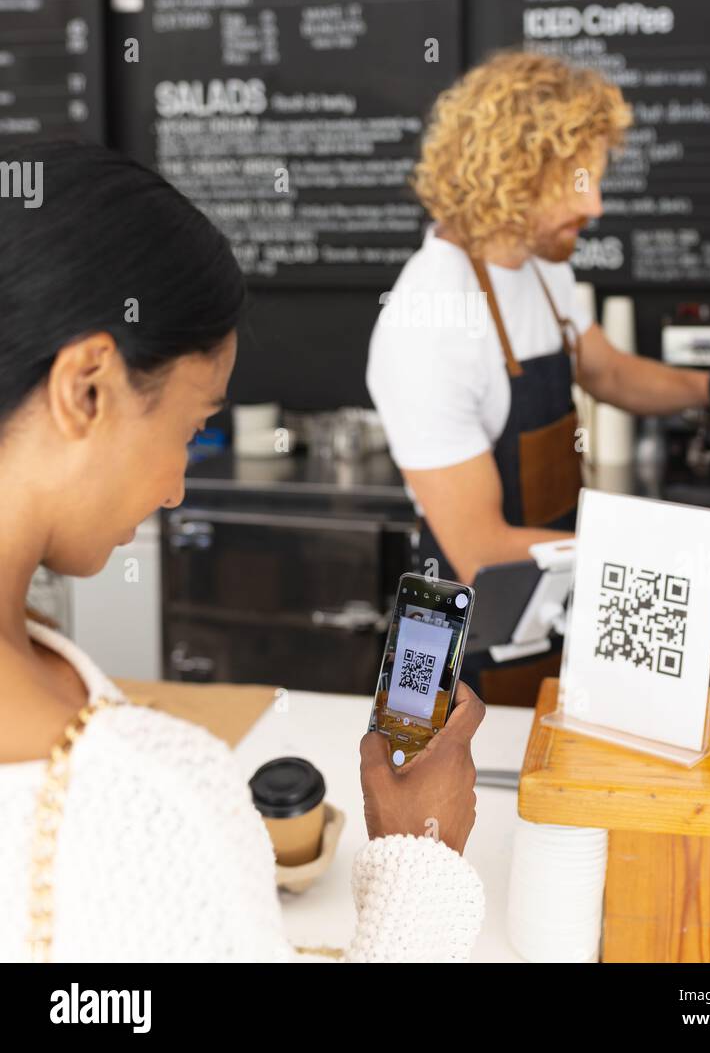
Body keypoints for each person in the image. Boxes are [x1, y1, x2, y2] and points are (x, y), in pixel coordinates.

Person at [0, 140, 484, 963]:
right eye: (190, 428)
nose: (177, 487)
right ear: (87, 387)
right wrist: (419, 856)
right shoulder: (149, 799)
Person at [366, 51, 710, 694]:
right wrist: (690, 551)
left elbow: (610, 373)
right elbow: (480, 551)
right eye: (575, 183)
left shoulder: (544, 269)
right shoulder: (430, 323)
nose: (594, 205)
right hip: (454, 638)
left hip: (554, 591)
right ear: (511, 177)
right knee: (451, 786)